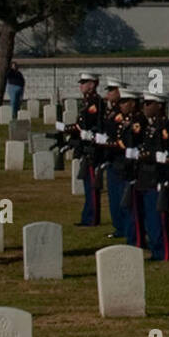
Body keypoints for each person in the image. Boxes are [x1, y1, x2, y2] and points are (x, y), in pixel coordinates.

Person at [138, 91, 169, 261]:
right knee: (150, 217)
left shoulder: (165, 127)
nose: (145, 107)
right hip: (147, 176)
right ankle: (155, 248)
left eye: (148, 103)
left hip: (158, 176)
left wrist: (147, 155)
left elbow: (163, 154)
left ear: (159, 105)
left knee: (158, 216)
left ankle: (163, 251)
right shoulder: (151, 126)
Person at [62, 71, 103, 226]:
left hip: (91, 149)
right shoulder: (87, 102)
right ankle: (87, 216)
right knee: (87, 184)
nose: (81, 85)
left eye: (84, 82)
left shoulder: (94, 102)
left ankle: (92, 218)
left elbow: (86, 125)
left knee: (92, 186)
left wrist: (68, 128)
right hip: (85, 148)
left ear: (92, 85)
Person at [98, 80, 129, 240]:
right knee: (113, 198)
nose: (109, 94)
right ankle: (118, 226)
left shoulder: (121, 114)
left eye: (112, 90)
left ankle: (125, 226)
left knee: (121, 196)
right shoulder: (110, 112)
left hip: (120, 159)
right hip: (111, 157)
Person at [116, 89, 145, 248]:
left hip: (135, 167)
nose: (121, 105)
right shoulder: (128, 119)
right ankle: (130, 236)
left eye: (124, 102)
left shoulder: (137, 121)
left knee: (134, 207)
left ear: (132, 103)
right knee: (128, 205)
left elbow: (134, 141)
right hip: (127, 165)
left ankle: (137, 240)